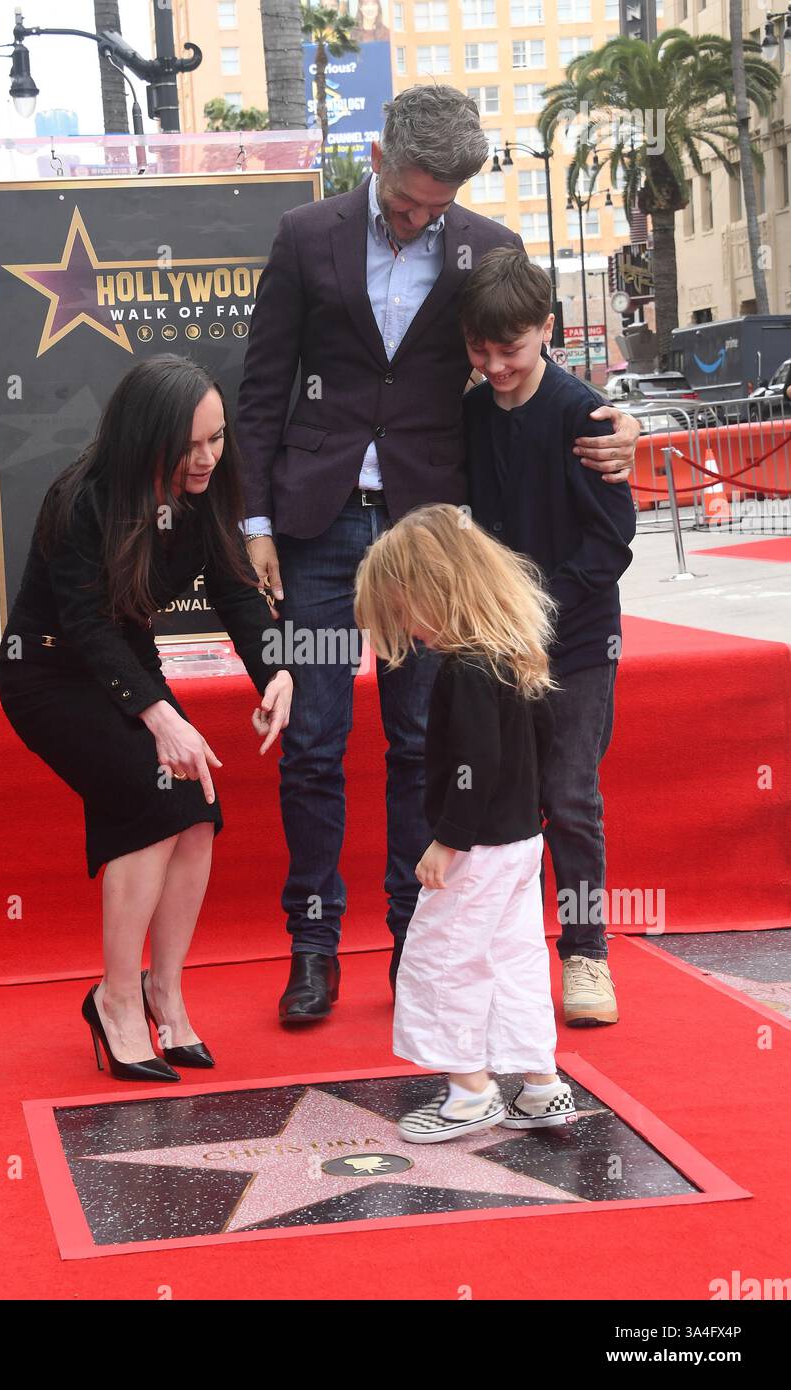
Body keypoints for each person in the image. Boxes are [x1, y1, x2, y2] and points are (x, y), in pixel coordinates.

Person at [236, 83, 640, 1024]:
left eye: (440, 205)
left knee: (423, 742)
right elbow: (260, 391)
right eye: (412, 201)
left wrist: (622, 427)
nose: (424, 220)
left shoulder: (486, 246)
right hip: (320, 525)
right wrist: (255, 524)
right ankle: (312, 946)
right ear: (377, 159)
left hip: (434, 535)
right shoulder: (305, 237)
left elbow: (534, 362)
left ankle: (417, 940)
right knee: (313, 744)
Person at [0, 356, 294, 1082]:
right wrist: (161, 719)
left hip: (128, 665)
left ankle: (165, 991)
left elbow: (235, 586)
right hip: (48, 672)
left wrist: (277, 669)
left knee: (197, 808)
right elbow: (88, 628)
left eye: (217, 439)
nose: (206, 458)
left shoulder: (208, 486)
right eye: (189, 444)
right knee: (154, 798)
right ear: (144, 437)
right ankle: (116, 999)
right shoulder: (81, 499)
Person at [354, 504, 576, 1141]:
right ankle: (539, 1083)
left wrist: (448, 841)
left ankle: (470, 1091)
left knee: (440, 959)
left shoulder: (466, 669)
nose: (405, 628)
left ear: (433, 590)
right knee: (514, 958)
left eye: (400, 611)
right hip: (520, 842)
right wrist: (527, 818)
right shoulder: (516, 654)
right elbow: (543, 741)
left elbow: (472, 765)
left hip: (477, 848)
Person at [460, 247, 636, 1026]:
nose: (496, 366)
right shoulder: (469, 414)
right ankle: (516, 952)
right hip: (500, 643)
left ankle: (587, 954)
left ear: (547, 330)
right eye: (481, 350)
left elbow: (612, 542)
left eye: (513, 349)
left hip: (576, 639)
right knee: (506, 800)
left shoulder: (583, 414)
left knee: (569, 797)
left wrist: (536, 612)